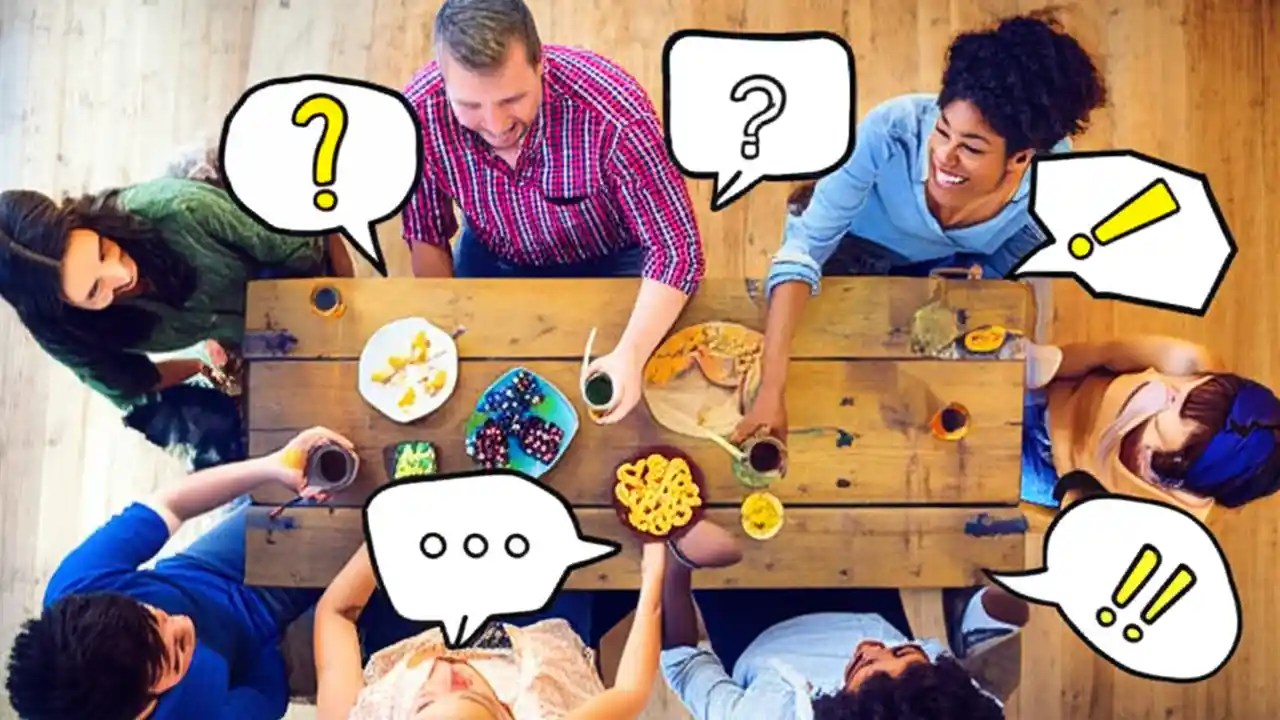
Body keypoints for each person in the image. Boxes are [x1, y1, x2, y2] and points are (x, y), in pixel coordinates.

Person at [734, 11, 1107, 446]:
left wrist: (976, 285)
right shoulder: (892, 131)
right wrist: (771, 389)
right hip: (849, 247)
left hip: (942, 267)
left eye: (971, 148)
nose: (944, 156)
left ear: (1020, 158)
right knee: (822, 378)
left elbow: (1017, 251)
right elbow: (803, 250)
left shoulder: (1055, 182)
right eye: (943, 130)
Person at [400, 0, 704, 424]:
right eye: (469, 105)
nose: (496, 125)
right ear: (444, 79)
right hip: (492, 254)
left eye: (513, 99)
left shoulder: (614, 113)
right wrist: (443, 334)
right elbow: (426, 234)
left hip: (610, 258)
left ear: (540, 63)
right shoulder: (415, 116)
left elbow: (675, 249)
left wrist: (631, 355)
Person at [0, 178, 354, 468]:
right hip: (244, 336)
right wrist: (200, 367)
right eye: (94, 290)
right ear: (66, 308)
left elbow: (304, 246)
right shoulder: (65, 330)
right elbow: (132, 386)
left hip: (296, 278)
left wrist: (342, 321)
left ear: (79, 224)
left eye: (103, 251)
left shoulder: (180, 209)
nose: (122, 274)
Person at [4, 426, 353, 720]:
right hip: (264, 651)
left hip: (212, 569)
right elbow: (269, 692)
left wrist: (272, 466)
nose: (183, 622)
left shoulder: (78, 587)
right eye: (178, 648)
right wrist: (329, 611)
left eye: (155, 612)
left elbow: (168, 504)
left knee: (330, 483)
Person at [313, 541, 665, 719]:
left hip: (420, 623)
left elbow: (336, 613)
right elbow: (631, 691)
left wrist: (388, 534)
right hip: (534, 630)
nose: (447, 673)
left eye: (425, 703)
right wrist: (655, 574)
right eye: (468, 690)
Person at [659, 554, 1027, 719]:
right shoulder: (952, 705)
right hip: (862, 599)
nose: (866, 649)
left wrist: (677, 562)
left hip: (749, 619)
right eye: (902, 653)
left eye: (860, 664)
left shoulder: (763, 714)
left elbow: (683, 663)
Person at [1021, 336, 1280, 518]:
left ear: (1179, 464)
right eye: (1192, 388)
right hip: (1053, 397)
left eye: (1177, 407)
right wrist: (1040, 367)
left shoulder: (1168, 516)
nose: (1174, 392)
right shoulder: (1191, 363)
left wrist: (1072, 500)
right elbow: (1104, 353)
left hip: (1053, 474)